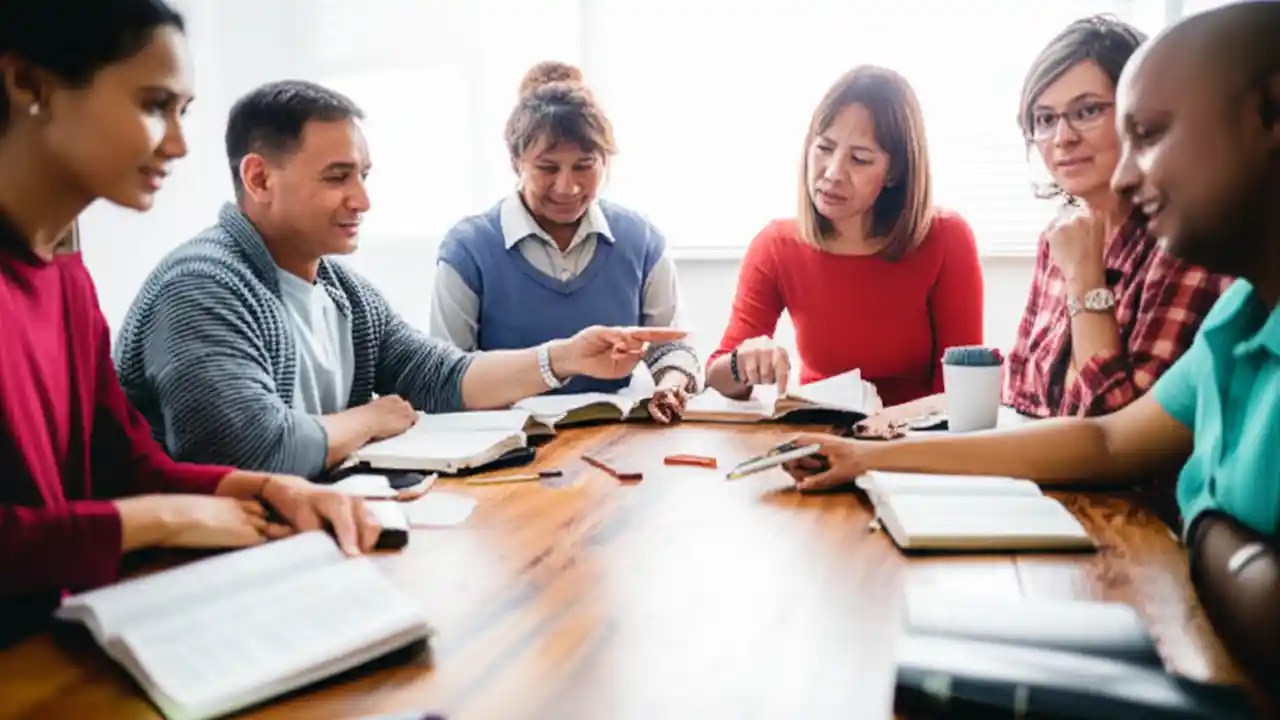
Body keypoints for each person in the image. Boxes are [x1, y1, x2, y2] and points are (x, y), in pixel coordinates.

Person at [783, 1, 1279, 685]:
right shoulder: (1236, 321)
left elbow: (1108, 429)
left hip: (1127, 546)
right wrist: (874, 450)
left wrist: (1087, 283)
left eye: (1146, 131)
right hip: (1090, 524)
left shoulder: (1191, 262)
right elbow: (1063, 417)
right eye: (1044, 120)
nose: (1129, 170)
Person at [0, 0, 378, 645]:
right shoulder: (198, 280)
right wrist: (167, 517)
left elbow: (125, 461)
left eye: (184, 112)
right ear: (29, 84)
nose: (177, 144)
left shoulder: (65, 278)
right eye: (153, 105)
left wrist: (266, 488)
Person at [115, 79, 677, 480]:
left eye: (362, 175)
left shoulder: (342, 290)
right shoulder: (201, 285)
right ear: (259, 177)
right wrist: (368, 418)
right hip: (207, 569)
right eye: (338, 178)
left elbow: (441, 375)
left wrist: (566, 358)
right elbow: (242, 451)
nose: (362, 199)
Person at [858, 16, 1232, 440]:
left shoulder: (1184, 245)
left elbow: (1117, 435)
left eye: (1087, 111)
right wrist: (890, 425)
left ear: (1138, 113)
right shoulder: (1060, 235)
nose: (1062, 138)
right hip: (1040, 485)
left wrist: (1086, 281)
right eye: (1045, 119)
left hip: (1122, 504)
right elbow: (1018, 396)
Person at [432, 62, 700, 423]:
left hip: (614, 438)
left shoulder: (640, 240)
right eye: (547, 168)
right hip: (505, 444)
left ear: (604, 161)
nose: (568, 187)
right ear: (516, 162)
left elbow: (672, 347)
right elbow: (444, 377)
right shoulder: (468, 250)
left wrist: (671, 382)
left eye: (584, 165)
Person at [704, 65, 983, 409]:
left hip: (915, 442)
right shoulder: (776, 245)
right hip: (823, 439)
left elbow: (961, 392)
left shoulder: (945, 238)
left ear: (895, 172)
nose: (833, 173)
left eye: (860, 159)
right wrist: (740, 363)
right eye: (824, 148)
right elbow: (716, 379)